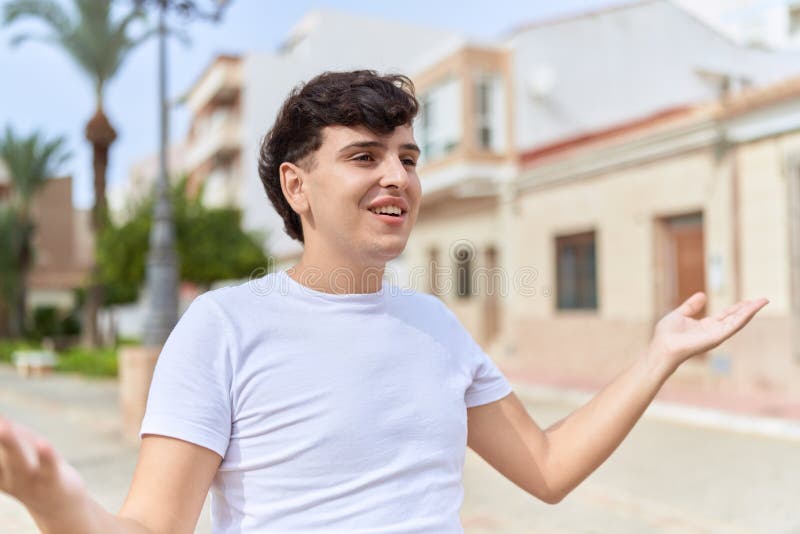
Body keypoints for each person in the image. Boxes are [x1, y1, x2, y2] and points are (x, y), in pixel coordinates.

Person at [0, 70, 768, 534]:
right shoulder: (224, 327)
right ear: (296, 187)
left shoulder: (433, 324)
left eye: (407, 157)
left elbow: (547, 466)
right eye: (364, 157)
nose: (396, 176)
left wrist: (659, 356)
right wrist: (55, 499)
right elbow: (154, 527)